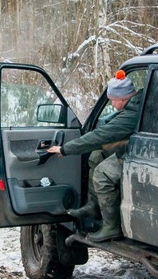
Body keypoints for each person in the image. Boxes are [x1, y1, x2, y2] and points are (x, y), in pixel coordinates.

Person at [47, 70, 142, 242]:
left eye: (112, 100)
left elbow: (102, 135)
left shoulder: (132, 113)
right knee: (96, 155)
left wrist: (65, 149)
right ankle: (94, 205)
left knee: (102, 173)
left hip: (144, 154)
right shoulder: (137, 102)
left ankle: (111, 226)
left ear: (121, 98)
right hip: (140, 148)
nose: (112, 105)